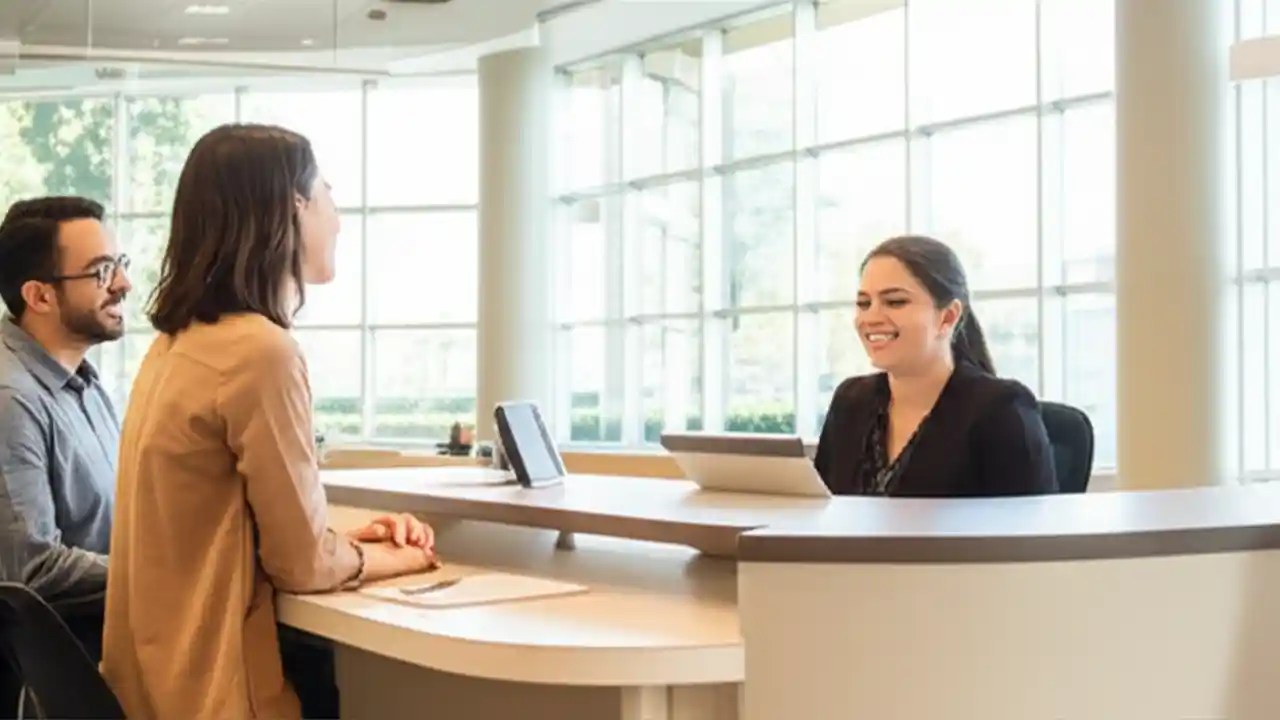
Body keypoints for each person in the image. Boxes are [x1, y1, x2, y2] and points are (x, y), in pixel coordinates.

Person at [101, 124, 439, 720]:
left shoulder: (175, 346)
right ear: (294, 206)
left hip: (155, 686)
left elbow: (214, 524)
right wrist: (398, 559)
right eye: (328, 193)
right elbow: (302, 566)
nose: (338, 220)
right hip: (224, 694)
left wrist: (346, 538)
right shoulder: (260, 352)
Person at [814, 235, 1058, 497]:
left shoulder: (1000, 409)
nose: (870, 317)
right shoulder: (850, 401)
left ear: (948, 317)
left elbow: (1028, 522)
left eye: (895, 302)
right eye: (864, 304)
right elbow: (820, 510)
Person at [0, 196, 131, 660]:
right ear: (39, 297)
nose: (123, 283)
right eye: (101, 271)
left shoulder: (85, 383)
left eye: (119, 264)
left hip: (120, 640)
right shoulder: (10, 399)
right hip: (71, 665)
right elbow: (32, 569)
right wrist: (162, 573)